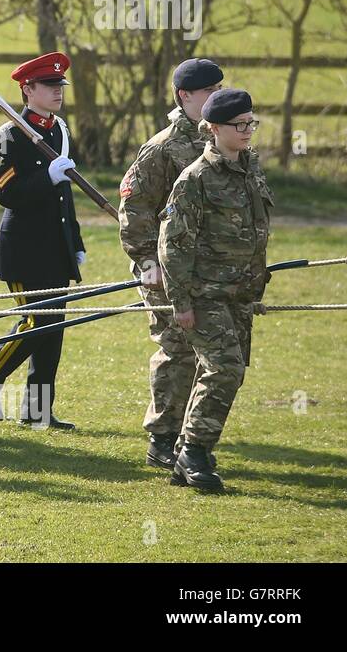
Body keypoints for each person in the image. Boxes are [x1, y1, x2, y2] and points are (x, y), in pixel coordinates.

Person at [158, 88, 271, 491]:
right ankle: (194, 452)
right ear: (214, 128)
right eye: (239, 125)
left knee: (227, 373)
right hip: (204, 295)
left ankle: (187, 454)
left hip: (240, 295)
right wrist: (181, 303)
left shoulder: (251, 169)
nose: (247, 131)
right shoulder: (196, 179)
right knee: (225, 368)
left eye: (251, 123)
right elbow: (173, 245)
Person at [0, 52, 85, 430]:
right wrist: (47, 179)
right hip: (23, 248)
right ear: (27, 89)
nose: (58, 92)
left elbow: (65, 197)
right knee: (36, 322)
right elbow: (5, 193)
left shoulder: (60, 131)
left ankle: (37, 411)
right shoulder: (7, 136)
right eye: (49, 86)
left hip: (56, 246)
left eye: (59, 86)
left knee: (53, 331)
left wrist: (76, 241)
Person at [118, 58, 224, 470]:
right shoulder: (162, 147)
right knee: (175, 351)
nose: (217, 97)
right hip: (163, 269)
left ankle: (191, 438)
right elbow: (134, 212)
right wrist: (149, 265)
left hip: (210, 272)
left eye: (220, 89)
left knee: (210, 357)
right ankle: (162, 437)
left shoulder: (220, 142)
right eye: (209, 92)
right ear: (185, 96)